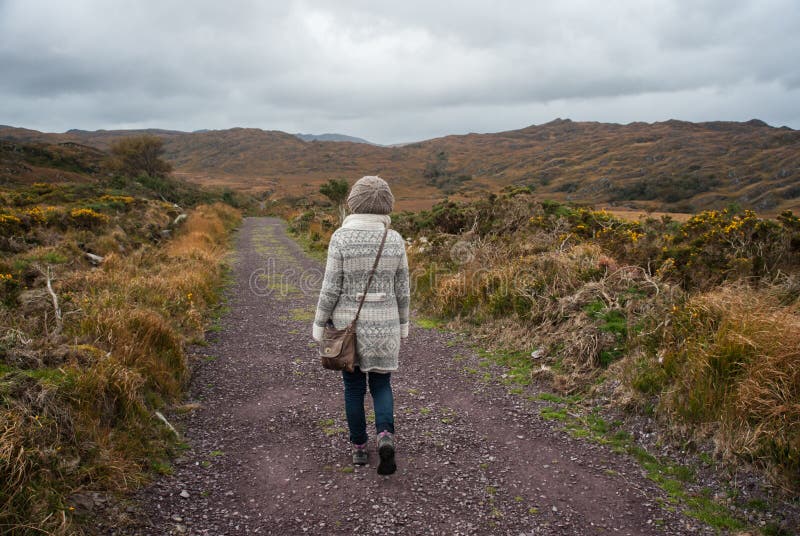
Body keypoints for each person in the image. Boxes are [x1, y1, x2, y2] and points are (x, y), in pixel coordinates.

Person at [312, 176, 410, 475]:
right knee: (381, 385)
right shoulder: (393, 239)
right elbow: (403, 288)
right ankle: (385, 437)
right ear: (386, 204)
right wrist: (404, 324)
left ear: (353, 202)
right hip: (387, 326)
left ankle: (358, 449)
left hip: (349, 329)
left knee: (353, 389)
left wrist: (318, 324)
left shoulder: (340, 238)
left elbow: (330, 288)